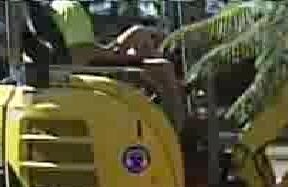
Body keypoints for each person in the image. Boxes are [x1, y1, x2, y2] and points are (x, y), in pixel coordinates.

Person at [45, 0, 184, 129]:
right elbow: (81, 57)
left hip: (62, 79)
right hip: (82, 79)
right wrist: (122, 46)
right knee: (163, 69)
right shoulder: (69, 8)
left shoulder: (53, 9)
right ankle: (175, 137)